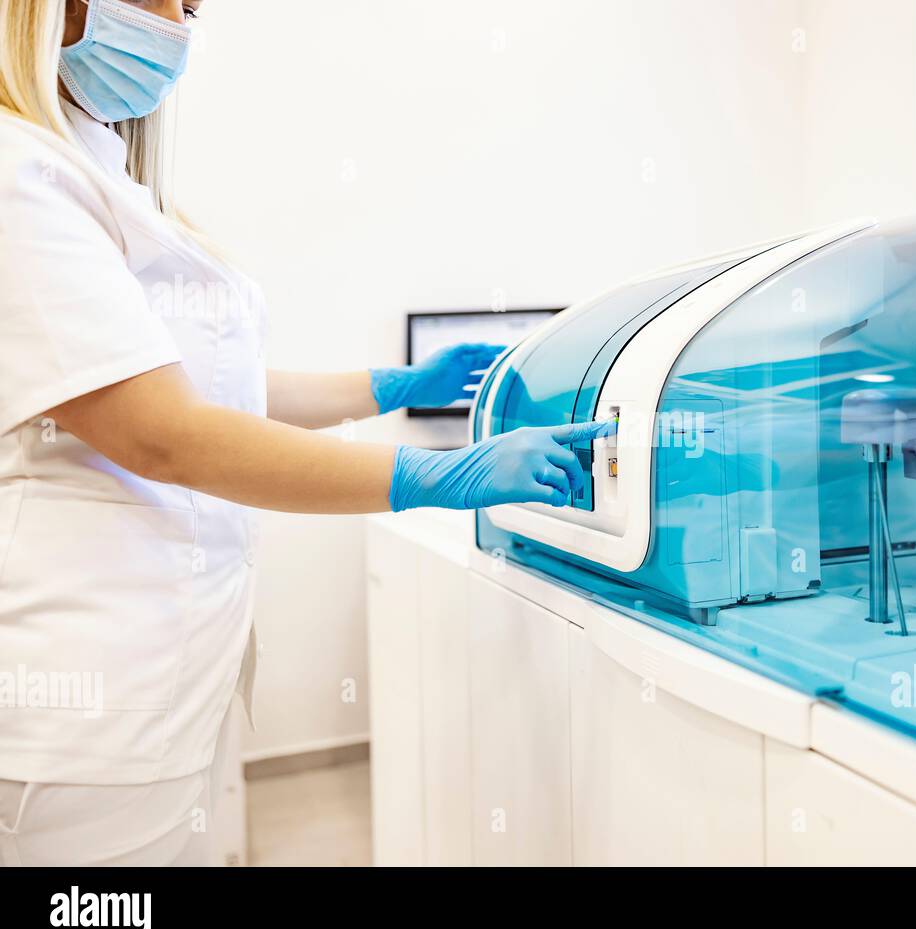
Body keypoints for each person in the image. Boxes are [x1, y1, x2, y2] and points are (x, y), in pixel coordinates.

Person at [0, 0, 610, 865]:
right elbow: (164, 435)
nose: (183, 22)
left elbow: (222, 392)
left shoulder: (102, 170)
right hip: (88, 697)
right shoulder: (19, 172)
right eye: (171, 0)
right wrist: (435, 476)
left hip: (168, 680)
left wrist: (400, 386)